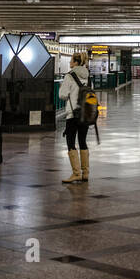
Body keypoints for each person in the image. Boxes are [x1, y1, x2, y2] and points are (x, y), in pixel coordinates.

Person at [57, 52, 93, 184]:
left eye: (71, 60)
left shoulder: (70, 76)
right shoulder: (88, 77)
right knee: (82, 141)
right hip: (85, 114)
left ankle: (76, 173)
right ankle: (86, 173)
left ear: (76, 62)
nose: (70, 63)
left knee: (71, 142)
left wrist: (68, 93)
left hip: (73, 115)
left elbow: (62, 95)